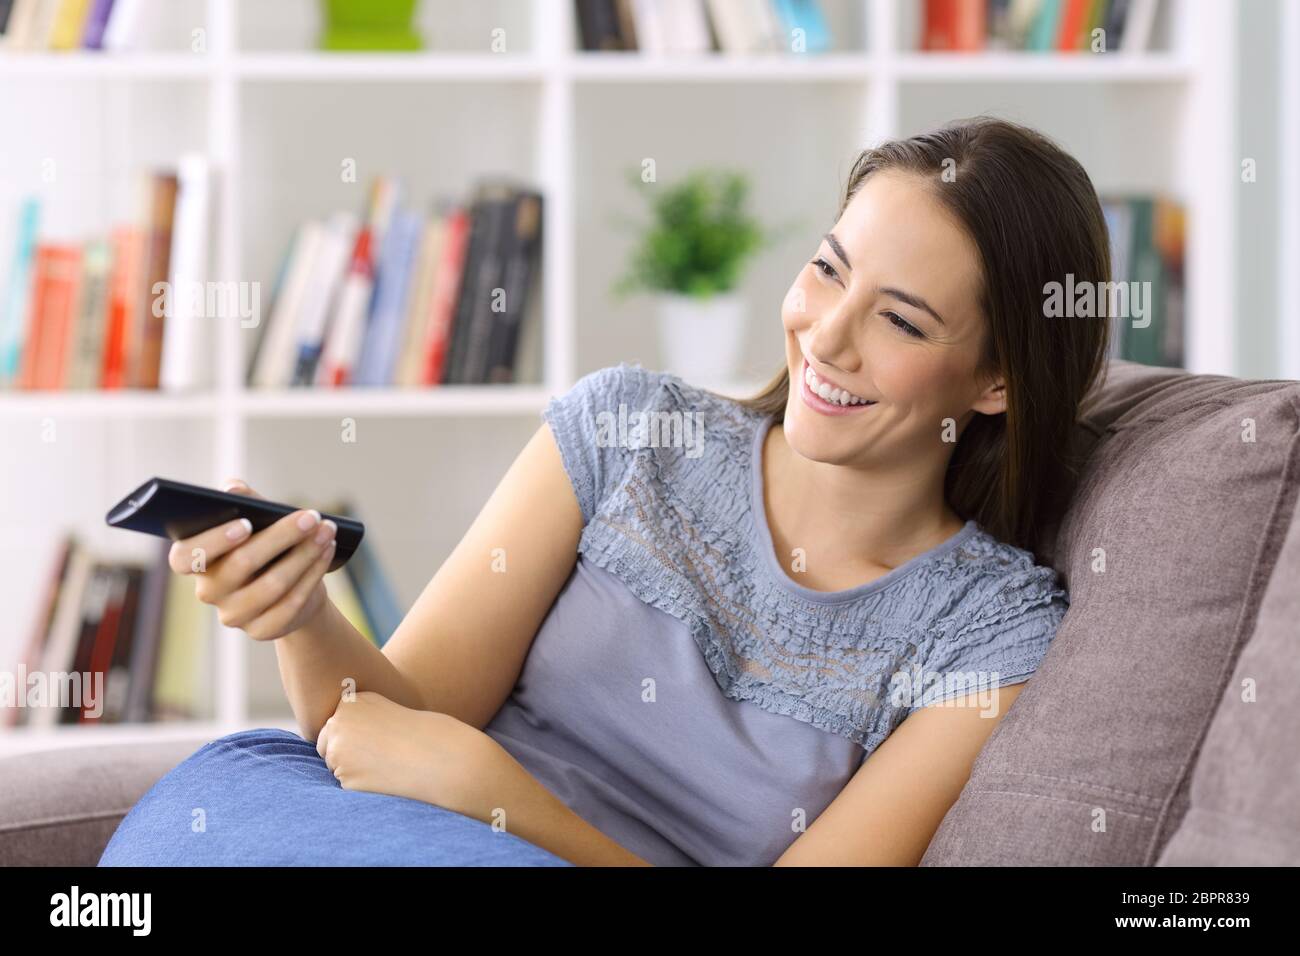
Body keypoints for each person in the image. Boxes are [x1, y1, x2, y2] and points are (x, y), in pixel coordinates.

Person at [99, 116, 1109, 867]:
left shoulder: (988, 631)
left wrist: (499, 798)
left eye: (900, 319)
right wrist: (301, 611)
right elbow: (377, 724)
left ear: (998, 379)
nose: (825, 334)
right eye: (826, 270)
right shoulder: (625, 430)